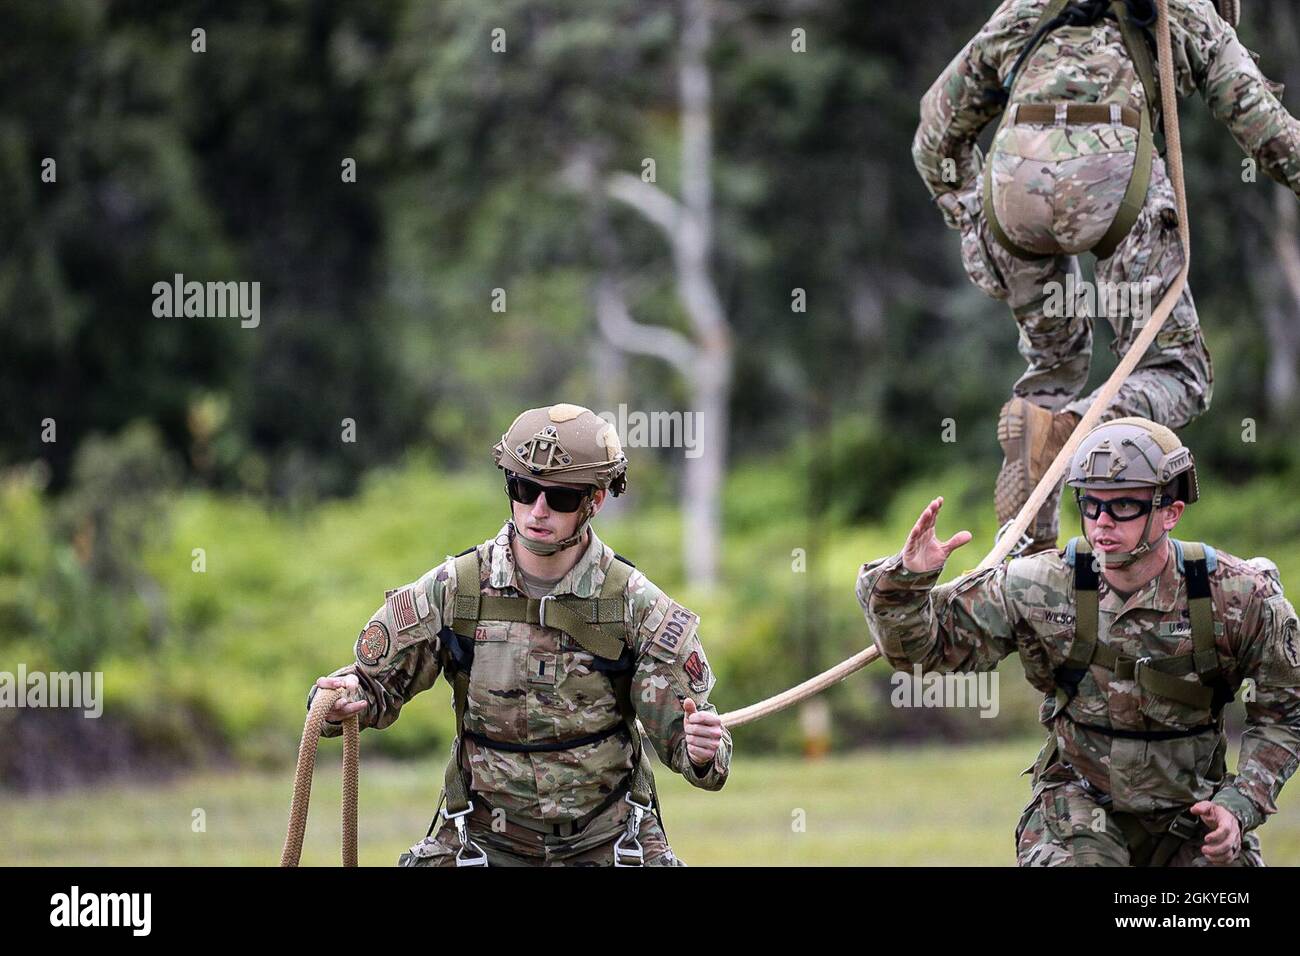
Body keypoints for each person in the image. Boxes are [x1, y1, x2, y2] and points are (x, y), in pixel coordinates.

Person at [912, 0, 1300, 554]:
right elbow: (1273, 137)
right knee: (1179, 372)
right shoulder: (1183, 12)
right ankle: (1072, 431)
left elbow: (935, 134)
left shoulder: (1025, 10)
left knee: (1051, 370)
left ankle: (1027, 561)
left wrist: (973, 214)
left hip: (1011, 189)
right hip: (1111, 177)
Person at [856, 417, 1300, 865]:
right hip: (1078, 808)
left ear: (1171, 511)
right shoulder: (1040, 585)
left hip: (1194, 812)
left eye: (1125, 505)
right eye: (1091, 504)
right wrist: (907, 582)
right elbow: (923, 651)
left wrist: (1238, 807)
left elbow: (1288, 712)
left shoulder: (1238, 595)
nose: (1102, 522)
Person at [310, 403, 731, 866]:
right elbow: (372, 688)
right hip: (484, 837)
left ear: (595, 501)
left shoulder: (636, 607)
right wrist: (342, 699)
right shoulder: (457, 589)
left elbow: (694, 749)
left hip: (607, 840)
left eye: (561, 498)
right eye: (523, 489)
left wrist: (702, 749)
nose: (538, 510)